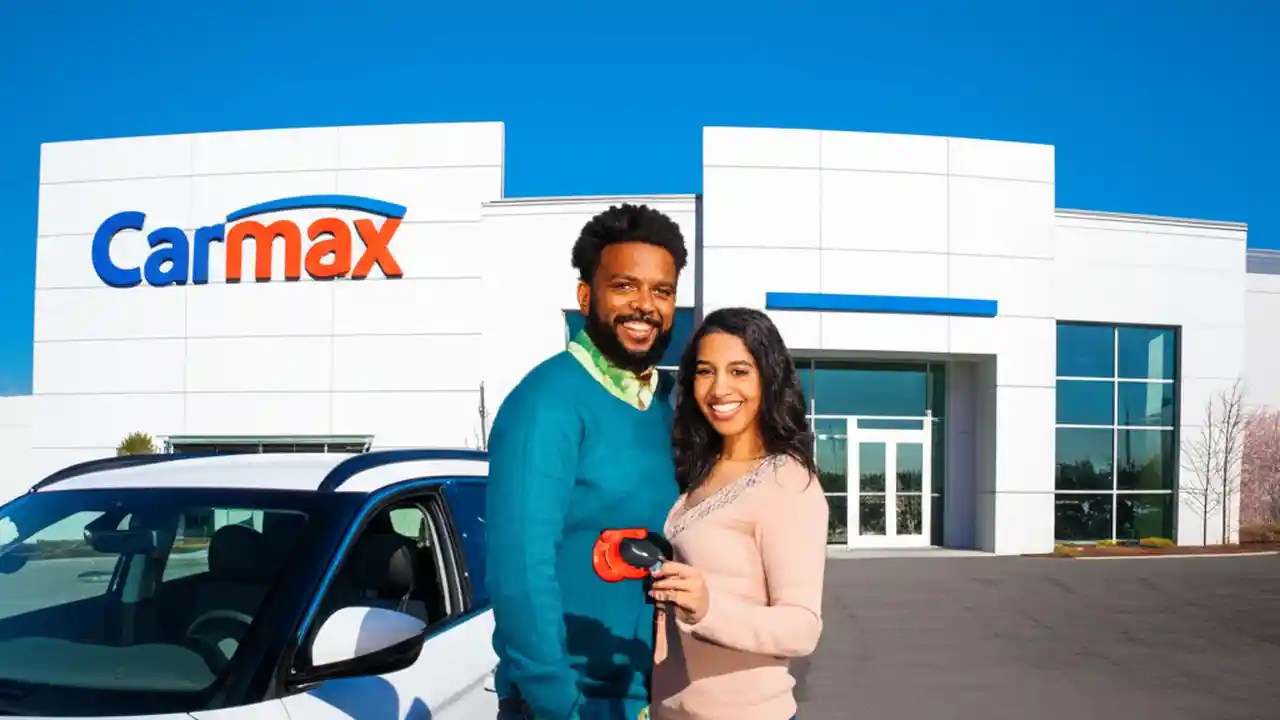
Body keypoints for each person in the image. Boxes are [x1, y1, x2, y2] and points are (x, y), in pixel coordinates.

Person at [486, 203, 689, 720]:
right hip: (576, 703)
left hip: (654, 697)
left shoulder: (669, 404)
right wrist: (558, 704)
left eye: (662, 291)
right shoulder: (546, 403)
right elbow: (520, 572)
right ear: (584, 297)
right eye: (624, 286)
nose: (645, 306)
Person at [647, 307, 829, 720]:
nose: (719, 389)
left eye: (739, 371)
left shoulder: (787, 481)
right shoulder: (700, 469)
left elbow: (802, 629)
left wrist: (709, 609)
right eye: (705, 371)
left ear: (769, 378)